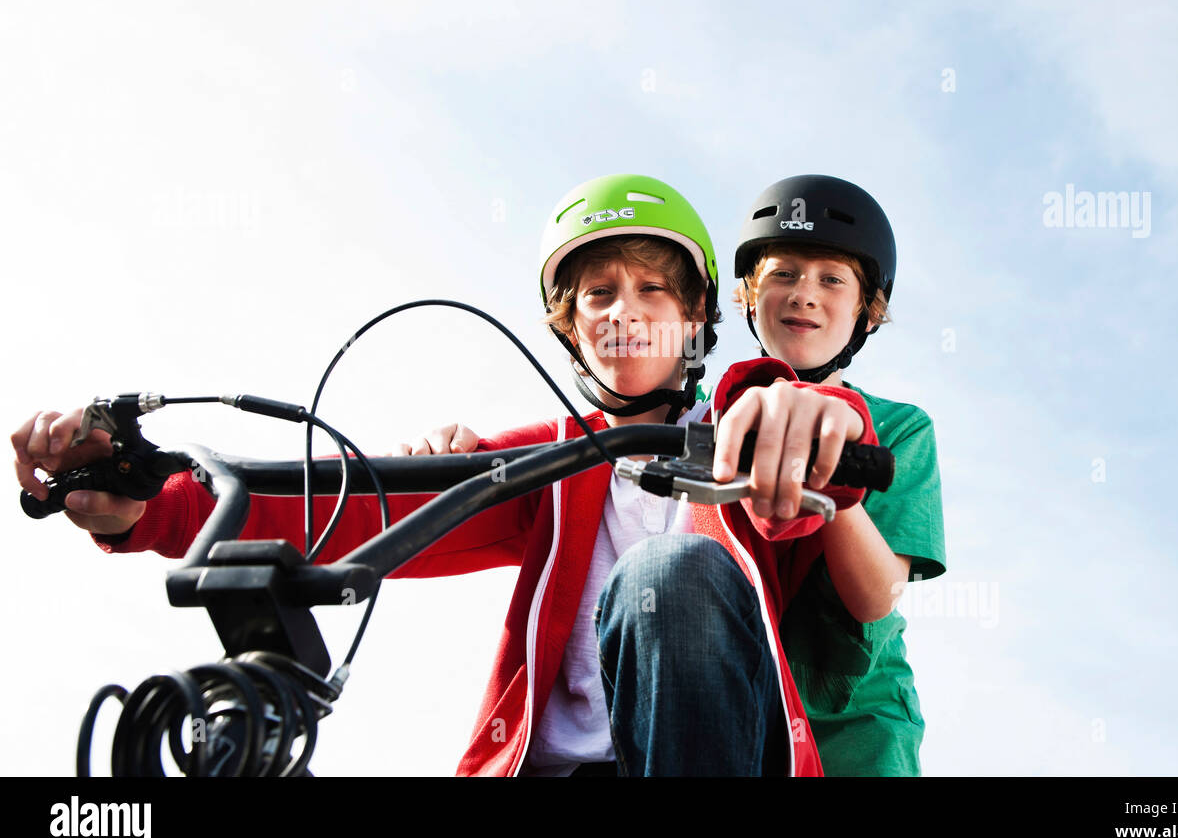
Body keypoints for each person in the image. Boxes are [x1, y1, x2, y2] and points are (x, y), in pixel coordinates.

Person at [13, 173, 877, 777]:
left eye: (654, 292)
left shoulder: (740, 426)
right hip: (544, 768)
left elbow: (811, 455)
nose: (626, 312)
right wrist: (145, 503)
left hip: (718, 751)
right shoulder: (549, 457)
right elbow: (349, 508)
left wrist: (811, 418)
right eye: (598, 295)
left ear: (695, 318)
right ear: (568, 328)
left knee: (672, 570)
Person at [732, 174, 947, 777]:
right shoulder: (709, 416)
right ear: (750, 294)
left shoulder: (901, 429)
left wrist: (838, 491)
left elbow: (877, 597)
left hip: (854, 729)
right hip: (736, 706)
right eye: (783, 273)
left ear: (866, 312)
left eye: (832, 279)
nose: (805, 294)